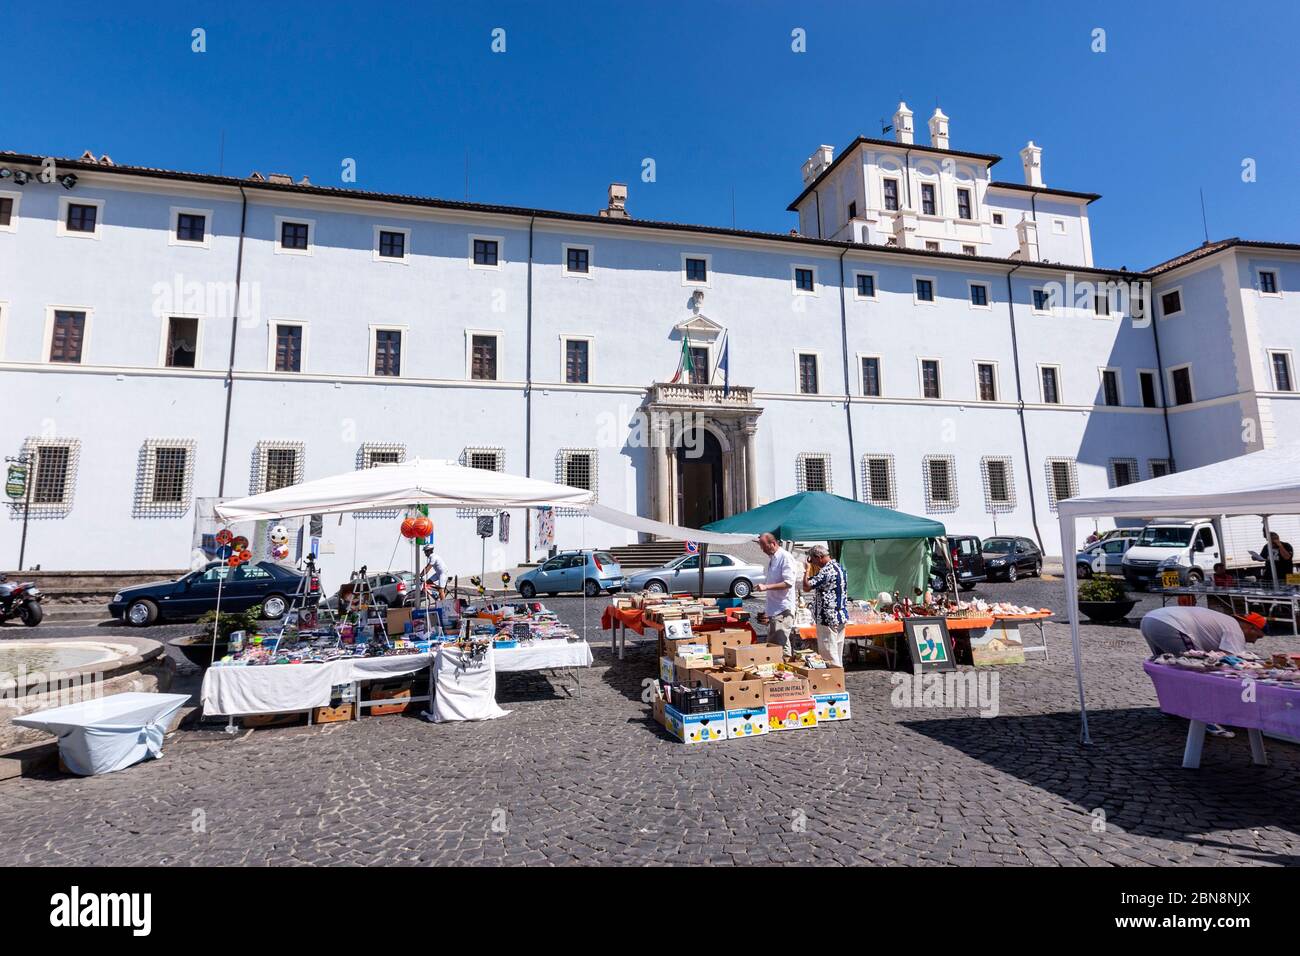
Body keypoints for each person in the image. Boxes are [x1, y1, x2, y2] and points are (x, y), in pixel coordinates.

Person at [1139, 605, 1263, 657]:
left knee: (1164, 665)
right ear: (1252, 627)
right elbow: (1230, 660)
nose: (1253, 642)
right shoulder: (1235, 630)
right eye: (1257, 637)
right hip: (1171, 624)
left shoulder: (1226, 620)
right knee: (1193, 666)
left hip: (1150, 619)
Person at [802, 543, 848, 667]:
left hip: (827, 618)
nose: (814, 563)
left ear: (819, 557)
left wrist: (806, 569)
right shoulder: (839, 567)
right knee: (837, 651)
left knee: (829, 653)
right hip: (840, 615)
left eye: (813, 560)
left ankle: (833, 680)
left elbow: (806, 586)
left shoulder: (826, 571)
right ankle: (838, 677)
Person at [753, 532, 797, 657]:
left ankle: (786, 671)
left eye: (764, 546)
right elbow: (775, 581)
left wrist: (766, 587)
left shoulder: (785, 557)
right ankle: (784, 670)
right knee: (776, 644)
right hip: (775, 609)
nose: (762, 550)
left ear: (772, 544)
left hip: (783, 609)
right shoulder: (773, 559)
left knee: (778, 646)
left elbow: (788, 582)